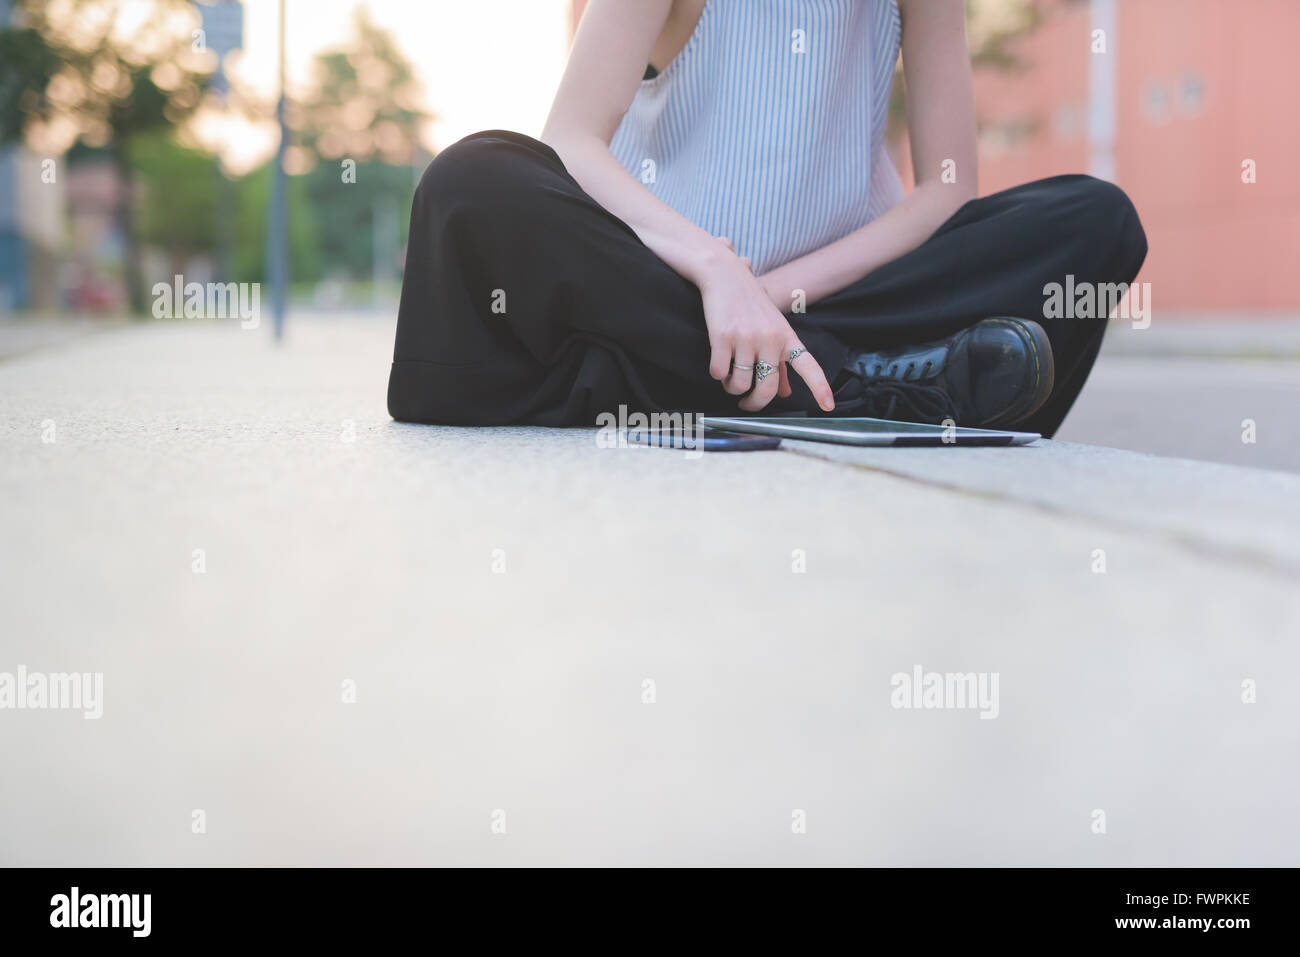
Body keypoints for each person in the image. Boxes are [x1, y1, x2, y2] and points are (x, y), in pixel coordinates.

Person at [388, 0, 1148, 435]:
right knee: (470, 180)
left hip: (845, 300)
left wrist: (771, 299)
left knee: (1093, 220)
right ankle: (859, 392)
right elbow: (572, 140)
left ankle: (764, 379)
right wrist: (717, 269)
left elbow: (948, 188)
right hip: (668, 290)